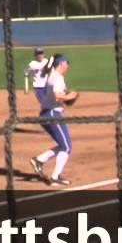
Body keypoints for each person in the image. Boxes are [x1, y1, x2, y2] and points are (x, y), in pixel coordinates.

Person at [29, 54, 78, 186]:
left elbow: (56, 94)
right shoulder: (58, 78)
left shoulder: (53, 76)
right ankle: (55, 176)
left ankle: (39, 160)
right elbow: (57, 96)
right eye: (67, 63)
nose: (68, 66)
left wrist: (66, 95)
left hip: (47, 114)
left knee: (64, 146)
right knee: (66, 147)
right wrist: (70, 96)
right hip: (52, 115)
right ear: (61, 64)